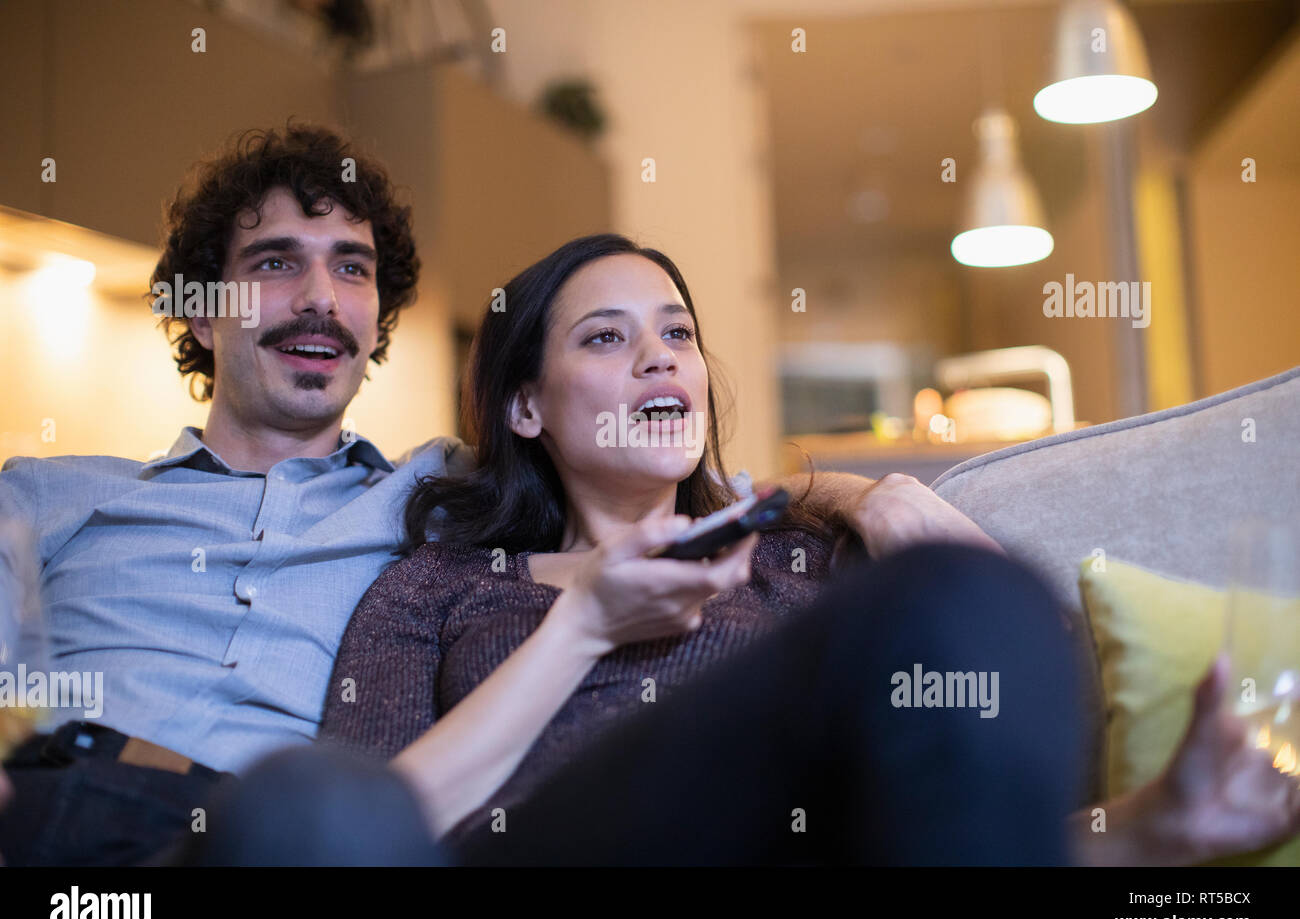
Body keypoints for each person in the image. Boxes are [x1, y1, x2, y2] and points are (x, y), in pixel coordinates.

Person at [0, 125, 971, 866]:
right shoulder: (47, 493)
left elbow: (665, 462)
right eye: (273, 263)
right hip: (60, 800)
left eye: (352, 269)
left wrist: (865, 491)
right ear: (199, 314)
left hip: (282, 828)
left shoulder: (431, 496)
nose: (319, 298)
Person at [314, 234, 1300, 865]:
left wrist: (1143, 819)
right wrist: (582, 626)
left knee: (962, 604)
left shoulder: (792, 558)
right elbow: (356, 834)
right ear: (523, 404)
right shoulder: (434, 588)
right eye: (605, 339)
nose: (659, 355)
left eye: (678, 332)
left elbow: (976, 779)